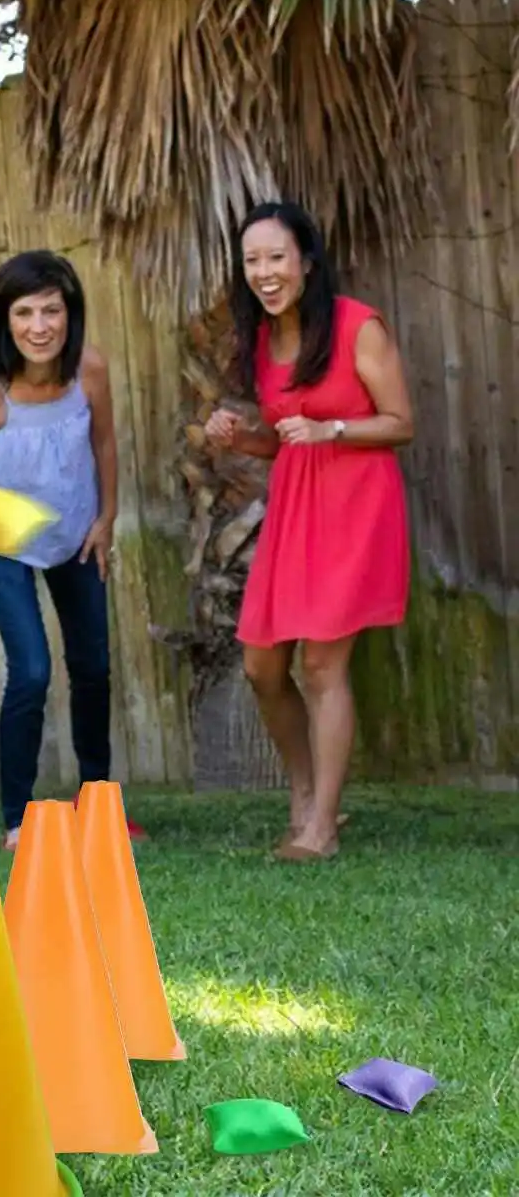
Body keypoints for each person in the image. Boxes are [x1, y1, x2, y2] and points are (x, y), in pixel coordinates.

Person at [205, 201, 413, 862]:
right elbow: (286, 444)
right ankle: (305, 795)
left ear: (306, 262)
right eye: (252, 261)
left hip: (355, 508)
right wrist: (242, 438)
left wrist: (334, 429)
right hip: (295, 512)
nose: (263, 273)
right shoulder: (263, 342)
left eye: (276, 258)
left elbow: (401, 422)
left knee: (323, 665)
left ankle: (320, 829)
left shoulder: (357, 326)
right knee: (263, 665)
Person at [0, 249, 141, 852]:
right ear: (4, 321)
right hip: (2, 542)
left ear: (70, 312)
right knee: (31, 671)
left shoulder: (90, 370)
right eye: (25, 312)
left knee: (93, 668)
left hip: (76, 532)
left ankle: (98, 804)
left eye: (51, 310)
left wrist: (107, 517)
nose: (39, 326)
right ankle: (16, 819)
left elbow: (105, 444)